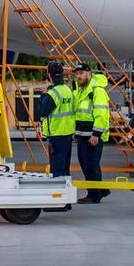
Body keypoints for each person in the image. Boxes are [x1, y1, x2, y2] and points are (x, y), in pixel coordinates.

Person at [73, 63, 111, 204]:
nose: (78, 76)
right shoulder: (82, 90)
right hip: (83, 134)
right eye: (76, 74)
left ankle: (94, 194)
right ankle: (101, 189)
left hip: (92, 135)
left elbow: (101, 114)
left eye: (81, 73)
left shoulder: (97, 91)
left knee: (90, 164)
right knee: (87, 163)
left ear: (89, 73)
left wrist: (96, 134)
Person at [34, 61, 75, 177]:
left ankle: (60, 192)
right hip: (67, 133)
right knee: (65, 164)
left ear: (49, 75)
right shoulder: (67, 90)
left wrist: (43, 95)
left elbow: (42, 112)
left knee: (57, 167)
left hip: (56, 133)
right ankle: (67, 190)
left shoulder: (52, 94)